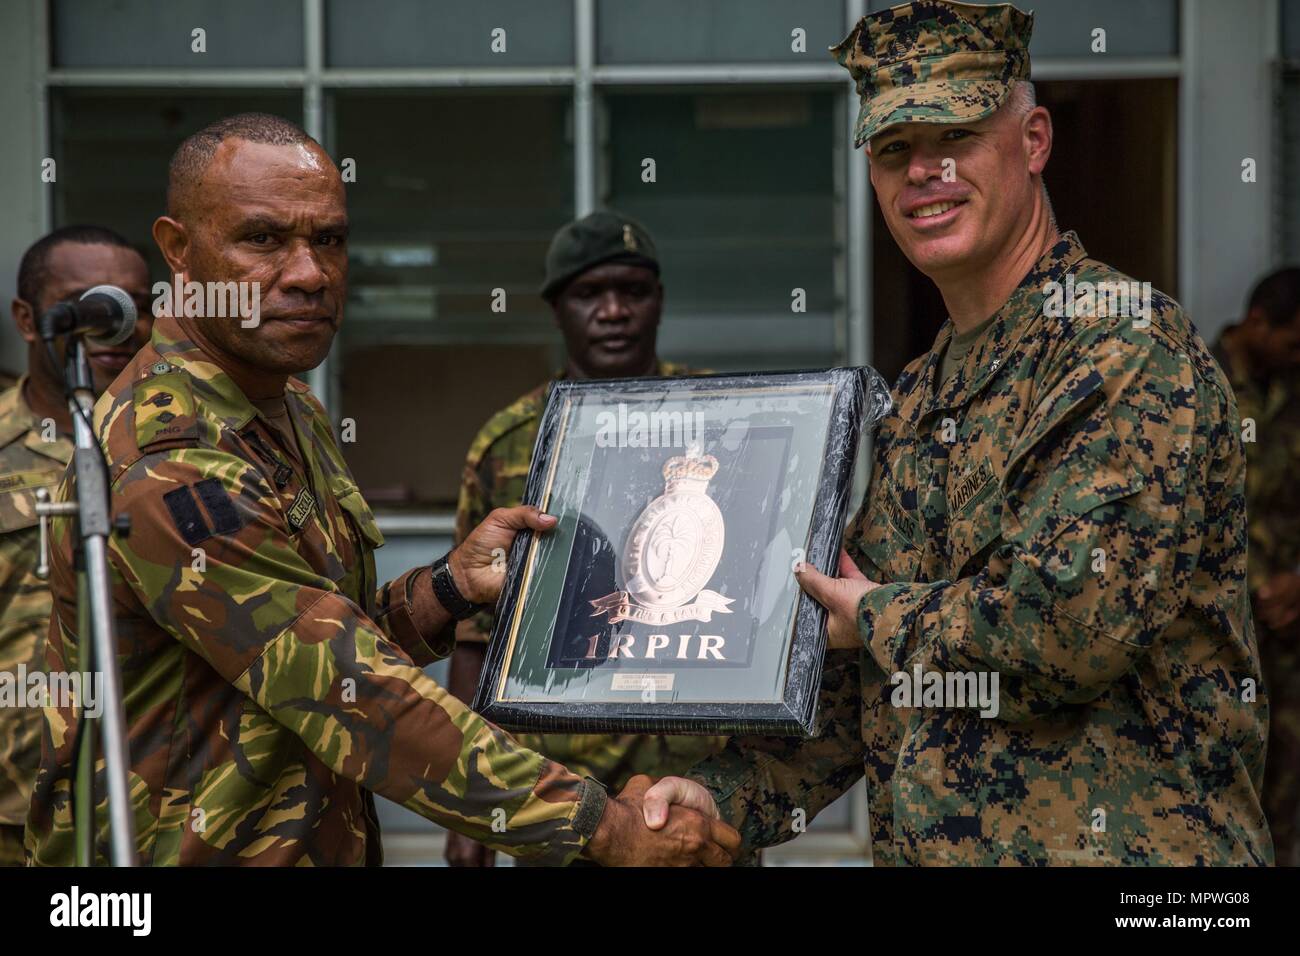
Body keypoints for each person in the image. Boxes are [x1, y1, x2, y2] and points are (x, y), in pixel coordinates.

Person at [643, 0, 1272, 865]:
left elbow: (1070, 630)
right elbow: (863, 665)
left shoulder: (1119, 342)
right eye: (895, 149)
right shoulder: (929, 388)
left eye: (956, 136)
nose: (924, 172)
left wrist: (877, 617)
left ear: (1034, 141)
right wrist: (722, 797)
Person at [25, 113, 739, 867]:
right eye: (263, 239)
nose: (308, 273)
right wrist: (605, 828)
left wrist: (449, 587)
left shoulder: (287, 405)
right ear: (177, 249)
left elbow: (320, 633)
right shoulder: (171, 454)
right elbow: (349, 691)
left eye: (328, 240)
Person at [444, 210, 726, 865]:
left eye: (633, 291)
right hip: (560, 789)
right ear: (556, 310)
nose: (613, 311)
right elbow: (474, 639)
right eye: (589, 294)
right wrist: (469, 803)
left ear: (659, 301)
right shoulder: (512, 443)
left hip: (701, 773)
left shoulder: (726, 416)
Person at [0, 225, 153, 866]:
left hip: (161, 803)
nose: (116, 325)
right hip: (14, 807)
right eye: (87, 304)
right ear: (28, 320)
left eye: (135, 307)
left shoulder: (186, 447)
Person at [1212, 267, 1300, 865]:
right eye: (1293, 342)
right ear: (1258, 322)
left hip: (1289, 637)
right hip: (1216, 643)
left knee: (1284, 799)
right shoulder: (1192, 379)